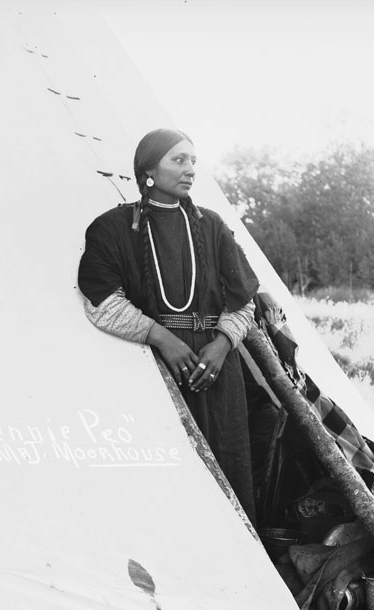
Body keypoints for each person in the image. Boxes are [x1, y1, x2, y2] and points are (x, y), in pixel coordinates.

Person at [77, 128, 260, 523]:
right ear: (148, 170)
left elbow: (244, 299)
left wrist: (223, 344)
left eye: (193, 160)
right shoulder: (114, 228)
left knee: (226, 467)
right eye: (179, 160)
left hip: (215, 369)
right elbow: (102, 303)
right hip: (154, 370)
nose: (190, 169)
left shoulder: (212, 226)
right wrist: (161, 338)